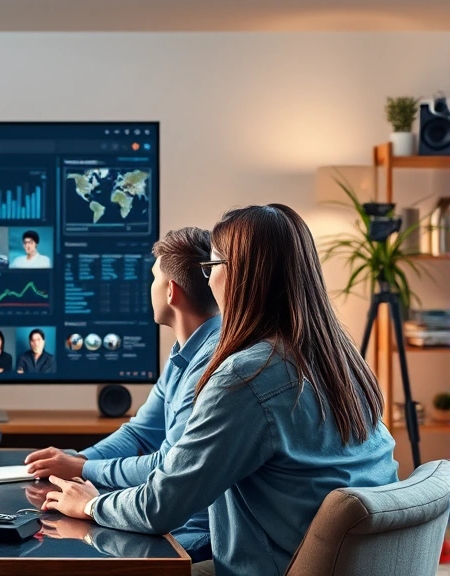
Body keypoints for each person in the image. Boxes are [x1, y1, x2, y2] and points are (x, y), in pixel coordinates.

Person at [40, 205, 399, 576]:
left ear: (238, 276)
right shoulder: (341, 359)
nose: (208, 282)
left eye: (212, 268)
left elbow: (160, 506)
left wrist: (89, 504)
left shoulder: (247, 376)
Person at [24, 227, 220, 561]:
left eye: (153, 277)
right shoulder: (184, 353)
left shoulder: (212, 366)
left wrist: (82, 470)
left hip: (188, 536)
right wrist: (73, 464)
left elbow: (166, 466)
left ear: (171, 291)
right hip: (167, 525)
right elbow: (140, 433)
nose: (150, 287)